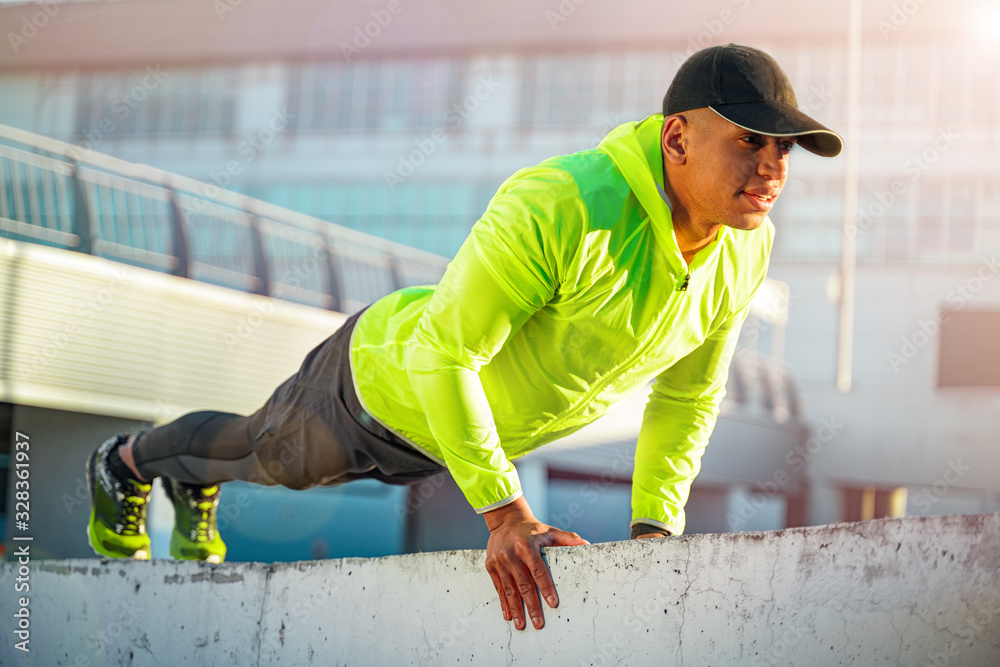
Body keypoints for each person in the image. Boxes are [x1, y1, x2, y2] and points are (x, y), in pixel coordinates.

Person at [86, 43, 842, 631]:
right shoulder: (565, 202)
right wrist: (508, 516)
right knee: (269, 458)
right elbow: (443, 351)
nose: (773, 167)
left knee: (263, 463)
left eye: (786, 150)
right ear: (677, 137)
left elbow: (688, 394)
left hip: (455, 438)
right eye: (752, 141)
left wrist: (655, 533)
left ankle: (191, 480)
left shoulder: (746, 246)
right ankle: (125, 463)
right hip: (380, 385)